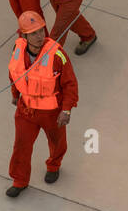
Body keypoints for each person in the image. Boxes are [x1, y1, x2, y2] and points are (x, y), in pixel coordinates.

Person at [6, 11, 77, 197]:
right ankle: (19, 180)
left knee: (57, 142)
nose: (39, 37)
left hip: (52, 112)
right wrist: (15, 95)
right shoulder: (17, 50)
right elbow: (14, 73)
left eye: (41, 31)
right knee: (21, 146)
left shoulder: (57, 55)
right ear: (24, 35)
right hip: (26, 111)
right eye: (34, 33)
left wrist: (67, 110)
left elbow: (70, 83)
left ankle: (54, 165)